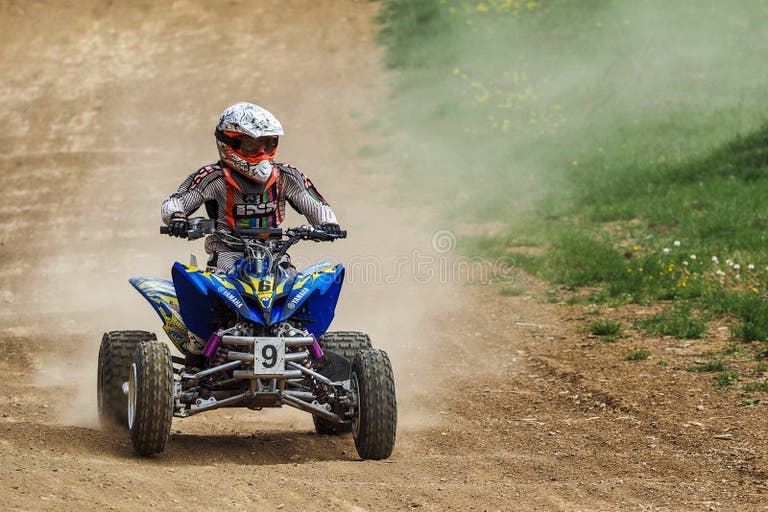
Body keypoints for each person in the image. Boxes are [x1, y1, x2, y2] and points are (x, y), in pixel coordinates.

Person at [161, 102, 341, 273]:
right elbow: (177, 200)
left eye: (266, 144)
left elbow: (315, 203)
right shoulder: (212, 177)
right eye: (250, 144)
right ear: (228, 143)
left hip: (274, 253)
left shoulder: (287, 176)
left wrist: (328, 224)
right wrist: (177, 217)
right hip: (226, 253)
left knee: (297, 286)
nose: (261, 152)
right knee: (213, 288)